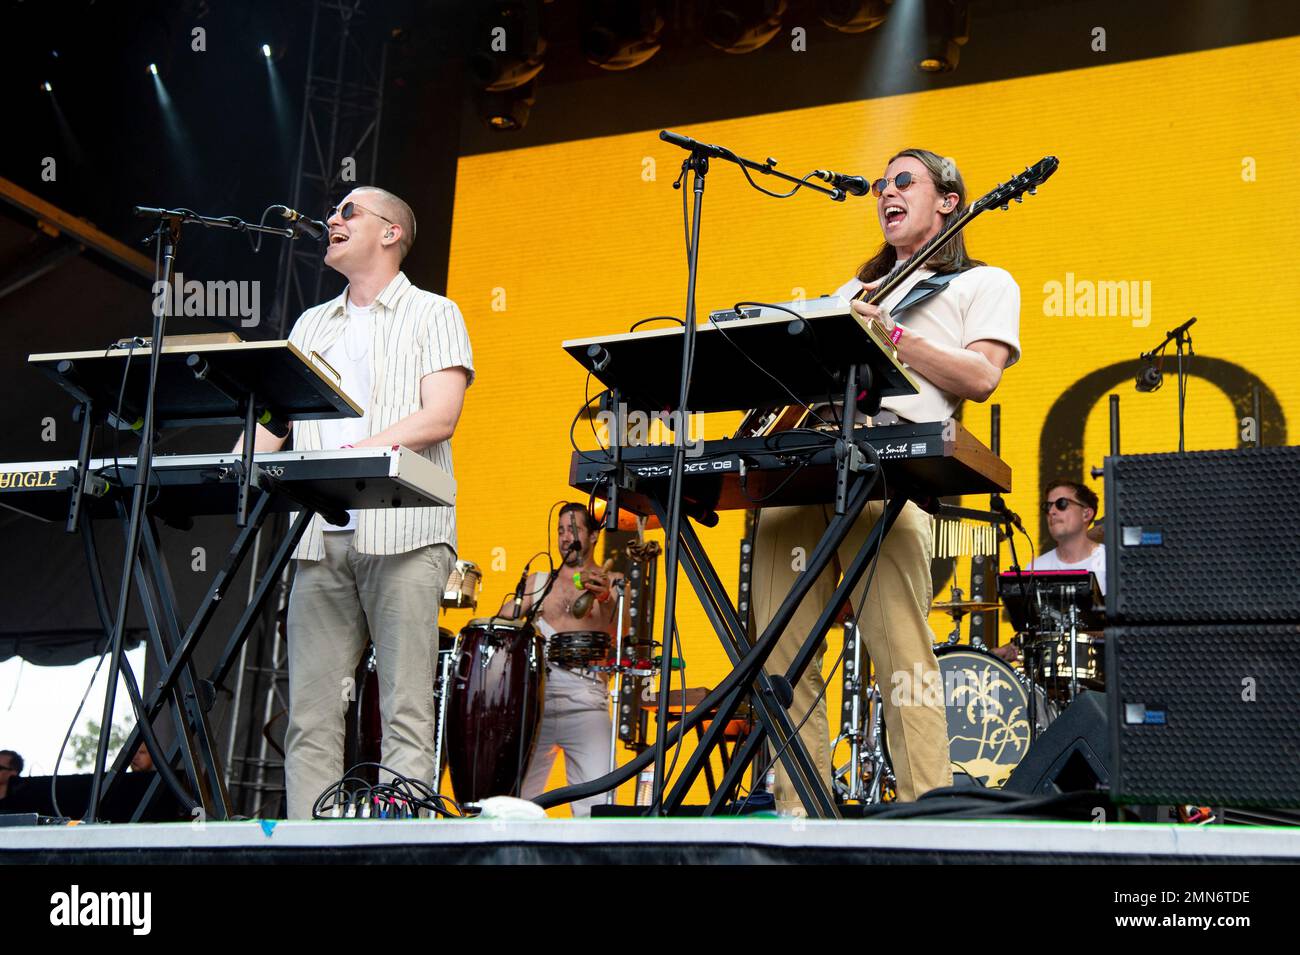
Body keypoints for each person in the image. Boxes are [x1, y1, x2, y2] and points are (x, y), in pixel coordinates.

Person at [751, 148, 1021, 809]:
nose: (885, 193)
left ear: (948, 201)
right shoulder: (852, 292)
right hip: (804, 467)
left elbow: (981, 378)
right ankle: (798, 809)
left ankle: (929, 810)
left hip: (891, 470)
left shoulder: (982, 284)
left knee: (903, 654)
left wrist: (890, 334)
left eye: (903, 181)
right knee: (782, 654)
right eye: (879, 186)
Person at [239, 186, 474, 819]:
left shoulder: (435, 313)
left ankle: (401, 845)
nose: (331, 221)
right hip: (317, 536)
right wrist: (239, 455)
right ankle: (307, 851)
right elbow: (272, 423)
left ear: (391, 233)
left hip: (406, 529)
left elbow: (440, 416)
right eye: (332, 214)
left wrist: (356, 454)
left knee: (404, 707)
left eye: (348, 212)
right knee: (310, 713)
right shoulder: (310, 324)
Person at [504, 503, 623, 818]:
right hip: (537, 704)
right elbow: (503, 628)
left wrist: (605, 598)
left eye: (574, 529)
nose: (565, 537)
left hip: (587, 702)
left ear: (594, 536)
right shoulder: (538, 582)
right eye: (560, 530)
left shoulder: (613, 581)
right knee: (518, 805)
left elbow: (619, 631)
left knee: (597, 807)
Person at [993, 478, 1105, 663]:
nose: (1052, 512)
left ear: (1087, 514)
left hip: (1103, 675)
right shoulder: (1035, 569)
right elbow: (1031, 633)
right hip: (1047, 678)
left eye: (1061, 504)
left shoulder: (1110, 564)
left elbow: (1125, 632)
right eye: (1048, 507)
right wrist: (1009, 650)